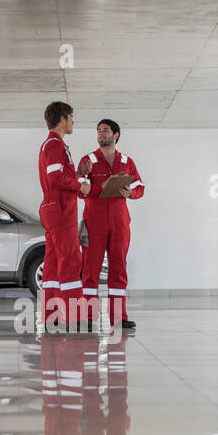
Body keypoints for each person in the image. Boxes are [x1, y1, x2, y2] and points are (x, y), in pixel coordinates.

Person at [77, 118, 144, 329]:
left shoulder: (127, 161)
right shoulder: (87, 161)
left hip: (119, 222)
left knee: (118, 269)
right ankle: (88, 316)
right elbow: (79, 190)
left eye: (105, 130)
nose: (100, 134)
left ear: (116, 135)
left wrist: (130, 193)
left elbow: (140, 187)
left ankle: (119, 317)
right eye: (98, 130)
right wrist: (85, 176)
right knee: (90, 270)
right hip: (94, 221)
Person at [37, 102, 91, 331]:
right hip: (60, 210)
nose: (73, 121)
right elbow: (56, 179)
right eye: (71, 117)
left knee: (51, 265)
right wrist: (81, 186)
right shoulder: (54, 145)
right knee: (70, 259)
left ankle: (52, 315)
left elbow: (58, 175)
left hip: (54, 208)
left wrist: (78, 173)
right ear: (63, 119)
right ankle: (75, 316)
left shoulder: (53, 145)